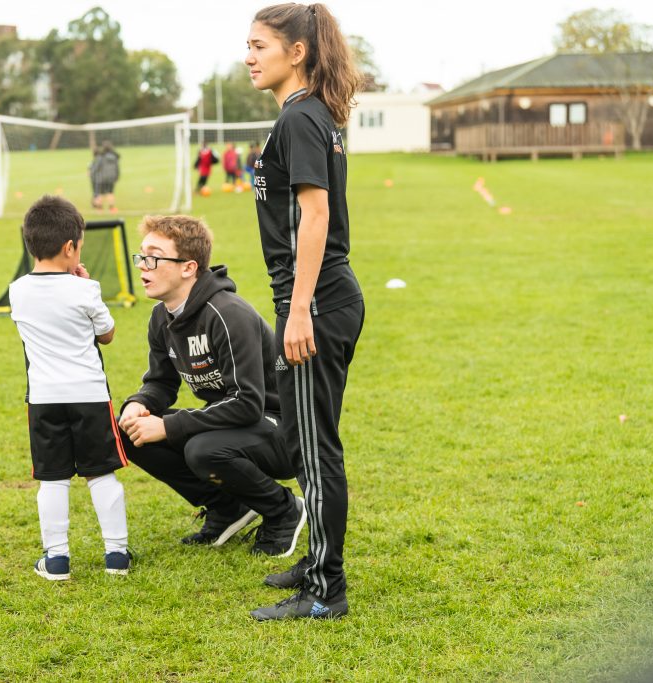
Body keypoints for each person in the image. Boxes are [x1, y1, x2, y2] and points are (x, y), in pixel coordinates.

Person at [244, 3, 366, 622]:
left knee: (315, 450)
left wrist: (297, 312)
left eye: (260, 45)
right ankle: (316, 556)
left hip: (317, 303)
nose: (249, 56)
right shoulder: (301, 116)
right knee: (300, 440)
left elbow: (315, 218)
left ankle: (326, 590)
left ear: (297, 52)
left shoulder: (302, 118)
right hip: (313, 300)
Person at [118, 215, 306, 557]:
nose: (143, 266)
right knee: (130, 432)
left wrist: (169, 425)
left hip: (281, 428)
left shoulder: (227, 314)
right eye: (141, 256)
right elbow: (161, 381)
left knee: (202, 449)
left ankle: (284, 511)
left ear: (189, 267)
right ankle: (227, 508)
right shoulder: (162, 316)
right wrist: (139, 403)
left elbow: (248, 402)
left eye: (155, 257)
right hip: (232, 423)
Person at [8, 195, 132, 581]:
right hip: (91, 396)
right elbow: (107, 335)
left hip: (45, 399)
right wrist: (85, 284)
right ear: (71, 247)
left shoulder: (17, 292)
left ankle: (57, 558)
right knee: (102, 475)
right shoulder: (86, 290)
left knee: (53, 479)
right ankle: (117, 554)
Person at [93, 141, 120, 212]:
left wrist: (92, 174)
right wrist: (117, 176)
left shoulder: (101, 156)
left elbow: (96, 167)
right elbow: (117, 168)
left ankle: (99, 210)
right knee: (110, 192)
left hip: (102, 178)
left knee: (100, 193)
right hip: (111, 178)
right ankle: (111, 209)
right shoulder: (115, 157)